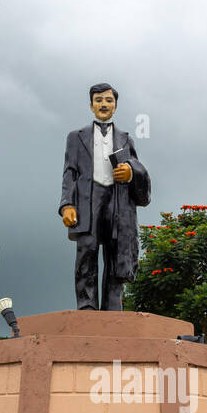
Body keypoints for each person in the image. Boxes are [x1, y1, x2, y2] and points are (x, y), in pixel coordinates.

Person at [58, 83, 152, 311]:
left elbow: (136, 166)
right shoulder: (75, 137)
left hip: (117, 200)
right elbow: (70, 172)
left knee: (116, 251)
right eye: (99, 100)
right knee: (87, 250)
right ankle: (87, 306)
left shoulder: (126, 139)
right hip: (88, 200)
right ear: (91, 106)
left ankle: (113, 306)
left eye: (108, 100)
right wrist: (67, 204)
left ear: (115, 106)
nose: (103, 104)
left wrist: (130, 172)